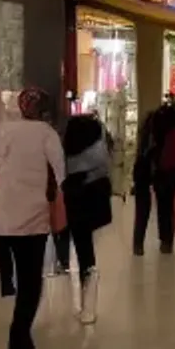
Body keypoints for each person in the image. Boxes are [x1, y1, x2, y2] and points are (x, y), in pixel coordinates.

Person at [0, 87, 66, 349]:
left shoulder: (1, 131)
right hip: (32, 219)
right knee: (31, 283)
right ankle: (18, 343)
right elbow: (61, 174)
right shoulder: (47, 134)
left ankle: (6, 280)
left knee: (16, 277)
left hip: (0, 222)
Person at [58, 113, 113, 324]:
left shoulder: (68, 149)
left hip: (74, 198)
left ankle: (65, 262)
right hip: (95, 198)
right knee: (87, 251)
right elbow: (106, 165)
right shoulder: (98, 146)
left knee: (81, 246)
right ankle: (89, 307)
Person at [133, 95, 175, 255]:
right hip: (170, 170)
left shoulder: (152, 124)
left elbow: (144, 151)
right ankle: (167, 242)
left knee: (143, 207)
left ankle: (138, 244)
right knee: (167, 206)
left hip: (149, 168)